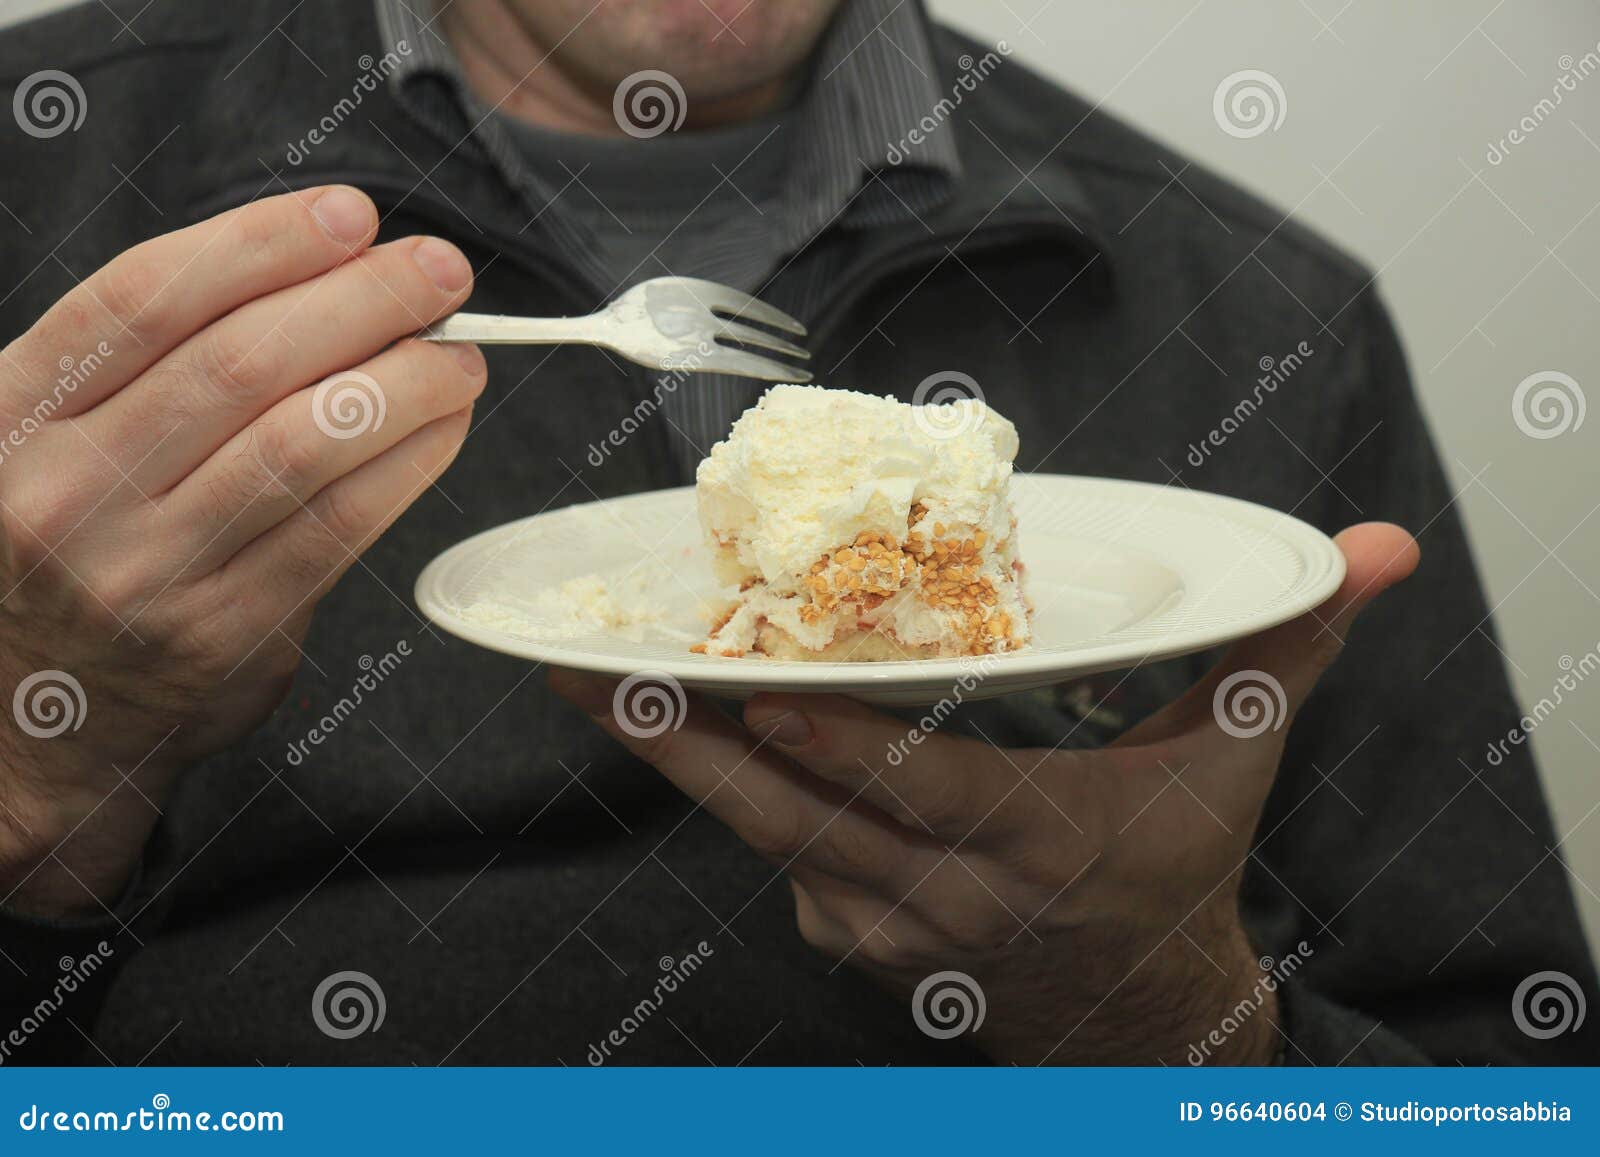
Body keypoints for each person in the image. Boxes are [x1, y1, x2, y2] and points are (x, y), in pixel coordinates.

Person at [0, 0, 1593, 1066]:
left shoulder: (1256, 307)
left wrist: (1161, 1007)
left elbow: (1506, 1082)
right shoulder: (44, 173)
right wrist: (37, 786)